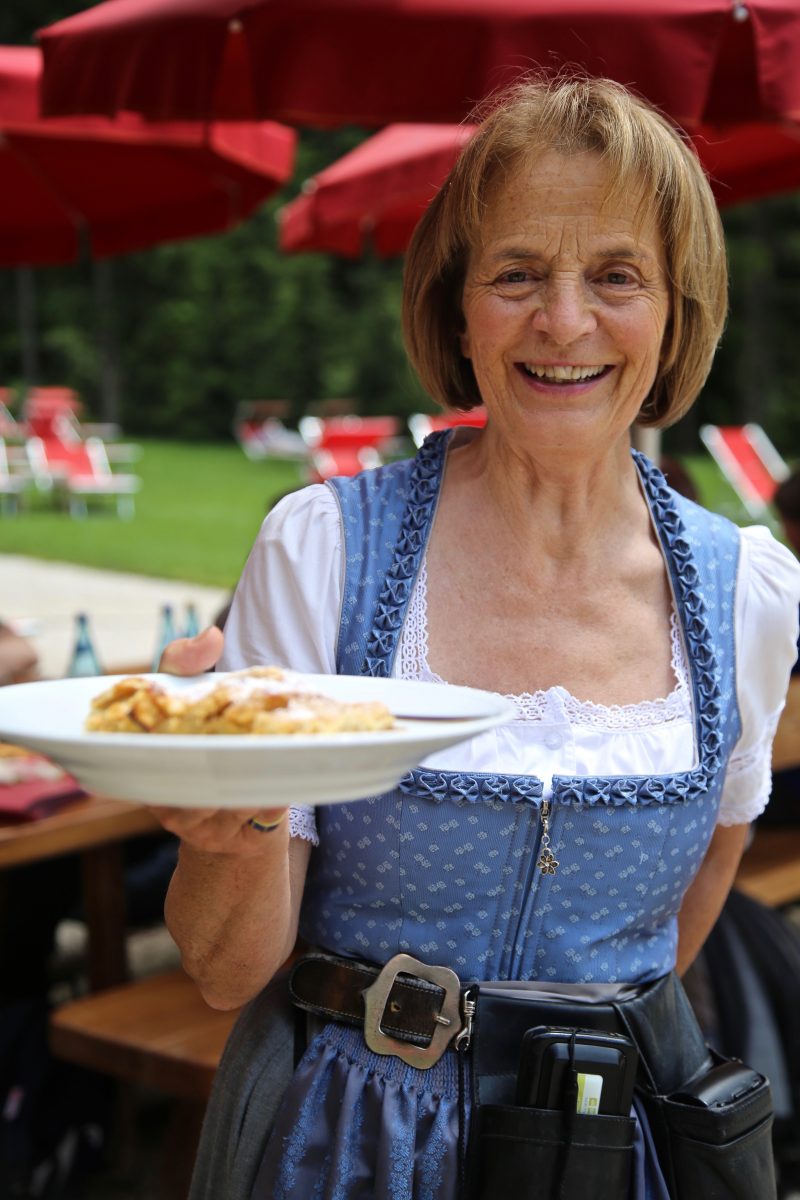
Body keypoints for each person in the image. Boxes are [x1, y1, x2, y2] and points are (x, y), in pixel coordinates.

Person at [151, 76, 800, 1200]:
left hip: (613, 1146)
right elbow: (220, 972)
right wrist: (229, 822)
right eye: (515, 274)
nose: (561, 322)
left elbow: (692, 905)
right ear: (456, 307)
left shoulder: (746, 589)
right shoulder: (324, 553)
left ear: (675, 309)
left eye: (613, 276)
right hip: (336, 1140)